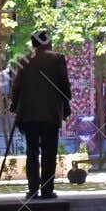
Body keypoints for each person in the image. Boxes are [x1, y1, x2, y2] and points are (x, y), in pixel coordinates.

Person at [9, 31, 72, 200]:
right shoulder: (58, 58)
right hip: (50, 114)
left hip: (28, 114)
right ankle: (47, 190)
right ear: (47, 42)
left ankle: (32, 190)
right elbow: (64, 85)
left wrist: (14, 106)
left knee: (32, 152)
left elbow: (17, 87)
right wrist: (66, 105)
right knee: (49, 152)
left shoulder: (24, 60)